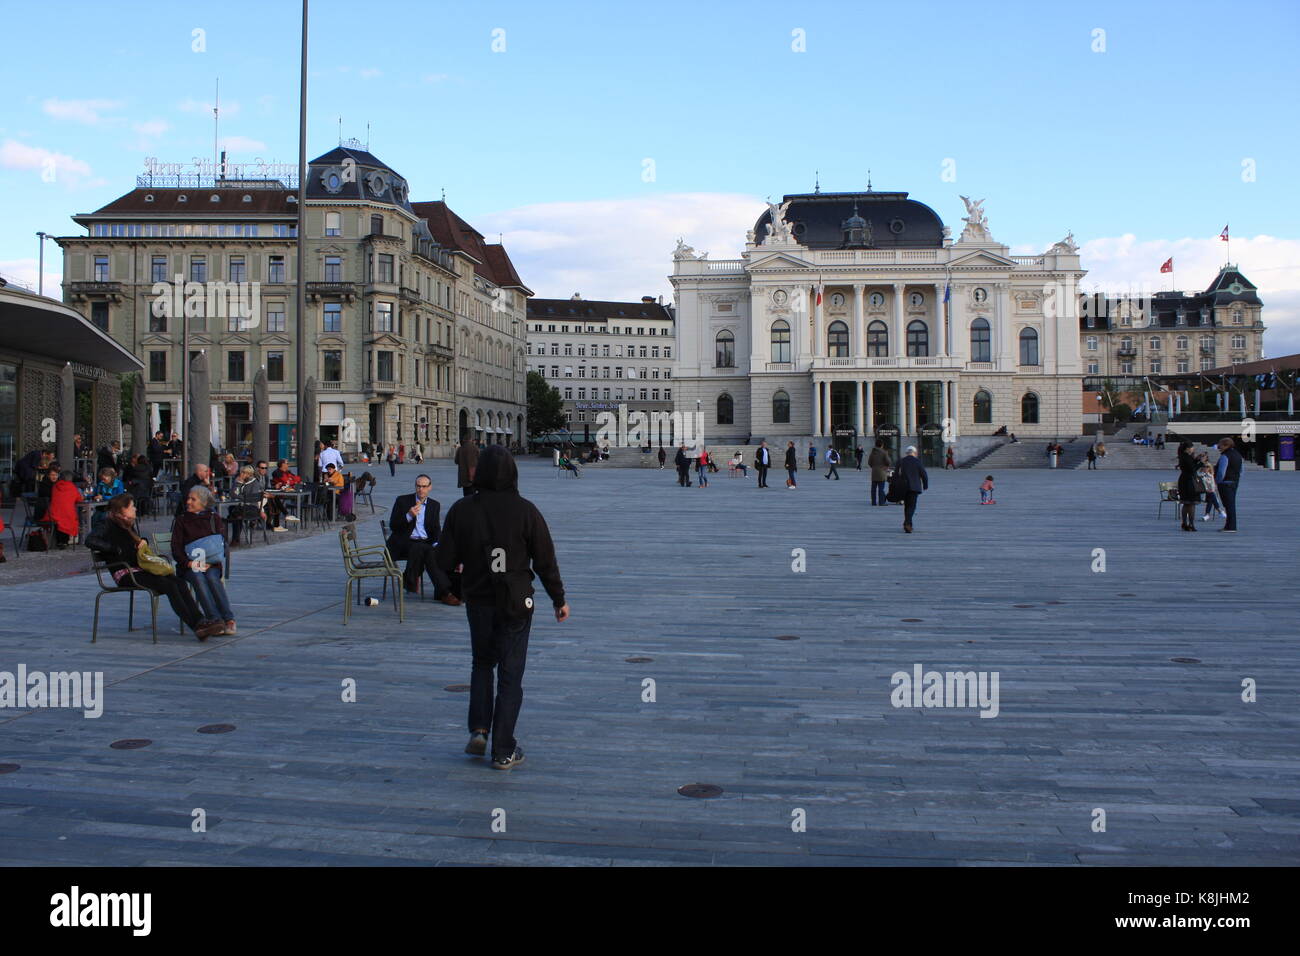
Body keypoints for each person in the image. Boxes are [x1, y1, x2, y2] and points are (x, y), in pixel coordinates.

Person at [435, 446, 569, 770]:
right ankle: (503, 750)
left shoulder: (462, 510)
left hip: (479, 600)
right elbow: (545, 560)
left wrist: (456, 588)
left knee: (482, 664)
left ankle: (479, 728)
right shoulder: (526, 511)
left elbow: (443, 561)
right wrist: (558, 599)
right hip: (517, 603)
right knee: (511, 675)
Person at [87, 494, 223, 640]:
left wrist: (142, 542)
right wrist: (115, 549)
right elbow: (90, 540)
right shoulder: (107, 524)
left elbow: (134, 543)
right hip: (125, 573)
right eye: (131, 506)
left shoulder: (127, 524)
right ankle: (197, 626)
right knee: (168, 585)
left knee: (178, 582)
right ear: (122, 510)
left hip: (140, 569)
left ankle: (201, 621)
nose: (135, 508)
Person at [171, 486, 237, 635]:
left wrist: (210, 562)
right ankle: (215, 619)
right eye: (188, 498)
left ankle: (228, 619)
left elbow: (221, 542)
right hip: (188, 565)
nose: (188, 502)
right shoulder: (181, 520)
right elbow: (176, 547)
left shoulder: (213, 518)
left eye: (193, 499)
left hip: (211, 563)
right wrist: (188, 563)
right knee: (198, 577)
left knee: (212, 578)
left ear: (203, 502)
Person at [387, 475, 460, 604]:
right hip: (404, 542)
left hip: (423, 543)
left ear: (430, 487)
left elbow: (436, 529)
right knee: (423, 549)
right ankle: (445, 593)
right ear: (415, 486)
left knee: (429, 551)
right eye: (418, 486)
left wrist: (438, 544)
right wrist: (408, 516)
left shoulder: (434, 505)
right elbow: (393, 525)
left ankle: (412, 579)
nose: (421, 489)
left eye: (424, 486)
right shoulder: (402, 501)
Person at [45, 470, 81, 549]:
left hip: (53, 513)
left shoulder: (55, 486)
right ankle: (65, 541)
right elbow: (79, 499)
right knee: (69, 516)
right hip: (67, 514)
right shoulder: (72, 487)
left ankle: (60, 541)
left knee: (60, 519)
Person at [897, 446, 929, 533]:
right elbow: (924, 474)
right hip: (914, 487)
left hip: (903, 487)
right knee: (912, 506)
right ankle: (907, 523)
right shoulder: (917, 461)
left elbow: (896, 475)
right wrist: (925, 485)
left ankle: (908, 524)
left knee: (907, 506)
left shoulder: (901, 461)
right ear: (914, 453)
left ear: (906, 453)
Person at [1215, 437, 1243, 533]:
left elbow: (1221, 472)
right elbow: (1241, 470)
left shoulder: (1225, 456)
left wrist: (1218, 481)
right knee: (1231, 504)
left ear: (1226, 445)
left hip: (1225, 483)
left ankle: (1231, 526)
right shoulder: (1238, 455)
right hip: (1234, 482)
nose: (1219, 447)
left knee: (1228, 505)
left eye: (1221, 445)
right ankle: (1230, 525)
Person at [1175, 441, 1202, 532]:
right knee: (1191, 503)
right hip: (1189, 481)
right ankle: (1191, 524)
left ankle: (1184, 523)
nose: (1193, 449)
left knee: (1186, 503)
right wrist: (1201, 463)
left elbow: (1190, 465)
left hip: (1184, 480)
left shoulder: (1183, 456)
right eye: (1192, 447)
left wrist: (1197, 460)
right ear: (1187, 448)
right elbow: (1192, 469)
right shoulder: (1186, 457)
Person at [1199, 456, 1224, 521]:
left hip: (1210, 493)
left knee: (1211, 496)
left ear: (1210, 468)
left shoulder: (1211, 475)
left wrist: (1210, 490)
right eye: (1204, 466)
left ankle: (1207, 515)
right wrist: (1208, 489)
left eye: (1207, 467)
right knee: (1211, 495)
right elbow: (1201, 485)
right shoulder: (1200, 475)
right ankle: (1219, 510)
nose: (1205, 468)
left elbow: (1213, 486)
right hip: (1202, 493)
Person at [455, 433, 479, 498]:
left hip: (463, 476)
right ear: (471, 440)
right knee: (473, 494)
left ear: (464, 440)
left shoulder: (460, 449)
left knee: (466, 495)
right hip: (473, 475)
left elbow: (456, 461)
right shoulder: (475, 448)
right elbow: (480, 459)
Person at [868, 440, 891, 506]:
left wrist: (874, 467)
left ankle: (873, 502)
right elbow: (888, 462)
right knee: (881, 489)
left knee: (873, 489)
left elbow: (869, 462)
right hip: (882, 472)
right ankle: (881, 502)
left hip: (874, 473)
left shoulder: (872, 452)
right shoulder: (884, 452)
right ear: (882, 445)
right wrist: (885, 466)